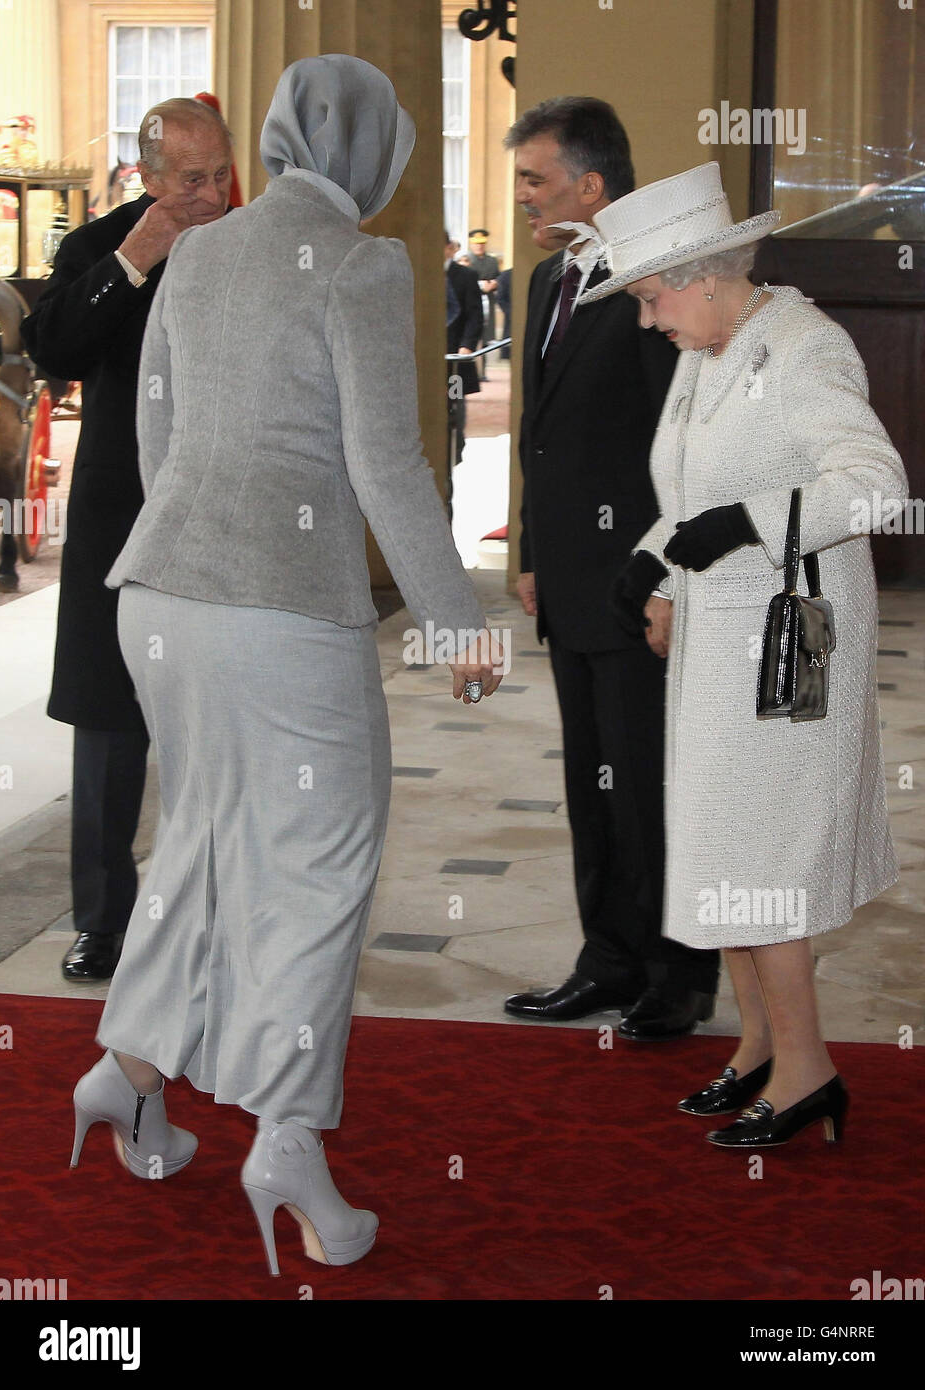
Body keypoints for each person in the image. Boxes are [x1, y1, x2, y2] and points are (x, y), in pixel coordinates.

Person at [67, 55, 503, 1275]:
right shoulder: (363, 264)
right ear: (378, 157)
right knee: (318, 867)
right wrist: (458, 621)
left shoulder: (198, 249)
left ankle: (131, 1071)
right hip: (281, 615)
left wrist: (203, 552)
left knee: (205, 838)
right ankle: (290, 1141)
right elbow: (389, 465)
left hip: (158, 596)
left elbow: (156, 433)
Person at [591, 161, 907, 1146]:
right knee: (722, 844)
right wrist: (647, 561)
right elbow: (690, 494)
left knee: (764, 860)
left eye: (650, 297)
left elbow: (878, 488)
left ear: (703, 271)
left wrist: (743, 525)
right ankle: (760, 1045)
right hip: (716, 647)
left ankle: (808, 1068)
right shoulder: (707, 347)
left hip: (787, 655)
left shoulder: (806, 348)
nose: (648, 320)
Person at [503, 97, 720, 1036]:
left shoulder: (655, 285)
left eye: (534, 178)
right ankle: (609, 957)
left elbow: (685, 445)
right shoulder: (551, 277)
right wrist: (532, 550)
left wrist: (669, 574)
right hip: (569, 578)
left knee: (647, 784)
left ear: (590, 185)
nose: (521, 196)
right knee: (590, 777)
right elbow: (539, 435)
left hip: (638, 582)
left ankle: (678, 976)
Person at [21, 99, 233, 982]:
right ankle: (104, 920)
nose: (213, 195)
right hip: (119, 522)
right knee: (109, 727)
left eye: (221, 173)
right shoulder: (98, 246)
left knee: (217, 728)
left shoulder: (255, 241)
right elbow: (55, 348)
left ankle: (210, 909)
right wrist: (138, 254)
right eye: (191, 180)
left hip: (224, 519)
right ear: (147, 176)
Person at [445, 231, 482, 493]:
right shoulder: (416, 270)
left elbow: (475, 315)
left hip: (456, 358)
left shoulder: (466, 276)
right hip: (426, 361)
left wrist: (466, 346)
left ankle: (455, 448)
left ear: (449, 248)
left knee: (455, 408)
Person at [467, 228, 499, 377]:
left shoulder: (491, 261)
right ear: (471, 244)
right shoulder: (466, 260)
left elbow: (498, 277)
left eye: (482, 244)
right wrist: (481, 285)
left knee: (485, 337)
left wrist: (494, 283)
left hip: (489, 301)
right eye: (476, 244)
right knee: (474, 335)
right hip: (473, 302)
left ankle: (483, 371)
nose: (479, 246)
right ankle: (473, 372)